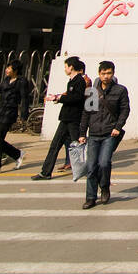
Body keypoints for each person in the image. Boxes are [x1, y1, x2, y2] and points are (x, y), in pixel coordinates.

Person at [78, 61, 130, 209]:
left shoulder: (120, 90)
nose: (106, 76)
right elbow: (86, 113)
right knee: (91, 167)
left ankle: (105, 187)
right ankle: (91, 197)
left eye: (108, 73)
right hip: (94, 133)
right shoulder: (93, 92)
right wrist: (82, 133)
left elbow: (125, 110)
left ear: (113, 73)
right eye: (103, 73)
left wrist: (118, 127)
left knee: (104, 163)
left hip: (110, 133)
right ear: (99, 74)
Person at [33, 56, 86, 180]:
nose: (65, 69)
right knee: (55, 145)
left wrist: (59, 98)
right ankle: (46, 172)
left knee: (78, 146)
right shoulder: (72, 81)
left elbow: (77, 98)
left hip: (73, 119)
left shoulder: (79, 81)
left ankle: (87, 168)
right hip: (66, 118)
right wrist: (58, 98)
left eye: (66, 66)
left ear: (71, 67)